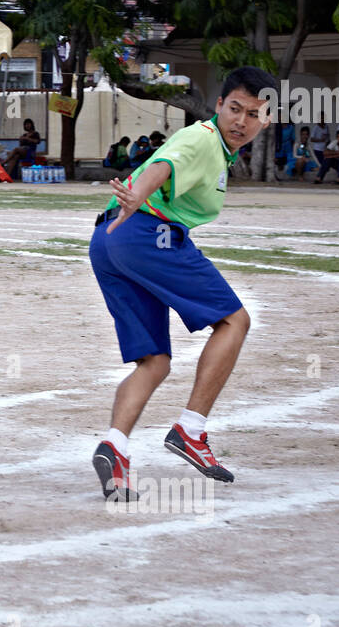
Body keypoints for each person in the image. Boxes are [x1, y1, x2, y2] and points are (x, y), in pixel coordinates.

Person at [88, 66, 276, 501]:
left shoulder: (221, 150)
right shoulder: (202, 138)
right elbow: (165, 163)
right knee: (234, 321)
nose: (241, 122)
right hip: (145, 234)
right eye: (234, 109)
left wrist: (136, 202)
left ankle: (114, 447)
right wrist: (137, 195)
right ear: (218, 106)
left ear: (266, 119)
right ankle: (191, 430)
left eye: (254, 113)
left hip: (110, 240)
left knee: (154, 361)